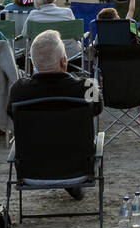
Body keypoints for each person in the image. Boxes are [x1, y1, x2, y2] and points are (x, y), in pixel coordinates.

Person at [7, 31, 102, 199]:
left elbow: (11, 115)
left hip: (33, 171)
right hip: (78, 168)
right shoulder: (88, 86)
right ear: (64, 61)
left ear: (33, 63)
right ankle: (69, 179)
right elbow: (97, 109)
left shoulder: (18, 90)